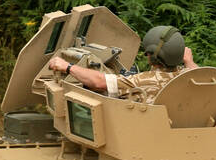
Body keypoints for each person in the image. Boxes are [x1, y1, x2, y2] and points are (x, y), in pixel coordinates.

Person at [47, 25, 198, 104]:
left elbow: (99, 82)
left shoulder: (140, 82)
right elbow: (202, 74)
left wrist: (67, 66)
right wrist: (190, 62)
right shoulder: (190, 77)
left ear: (151, 55)